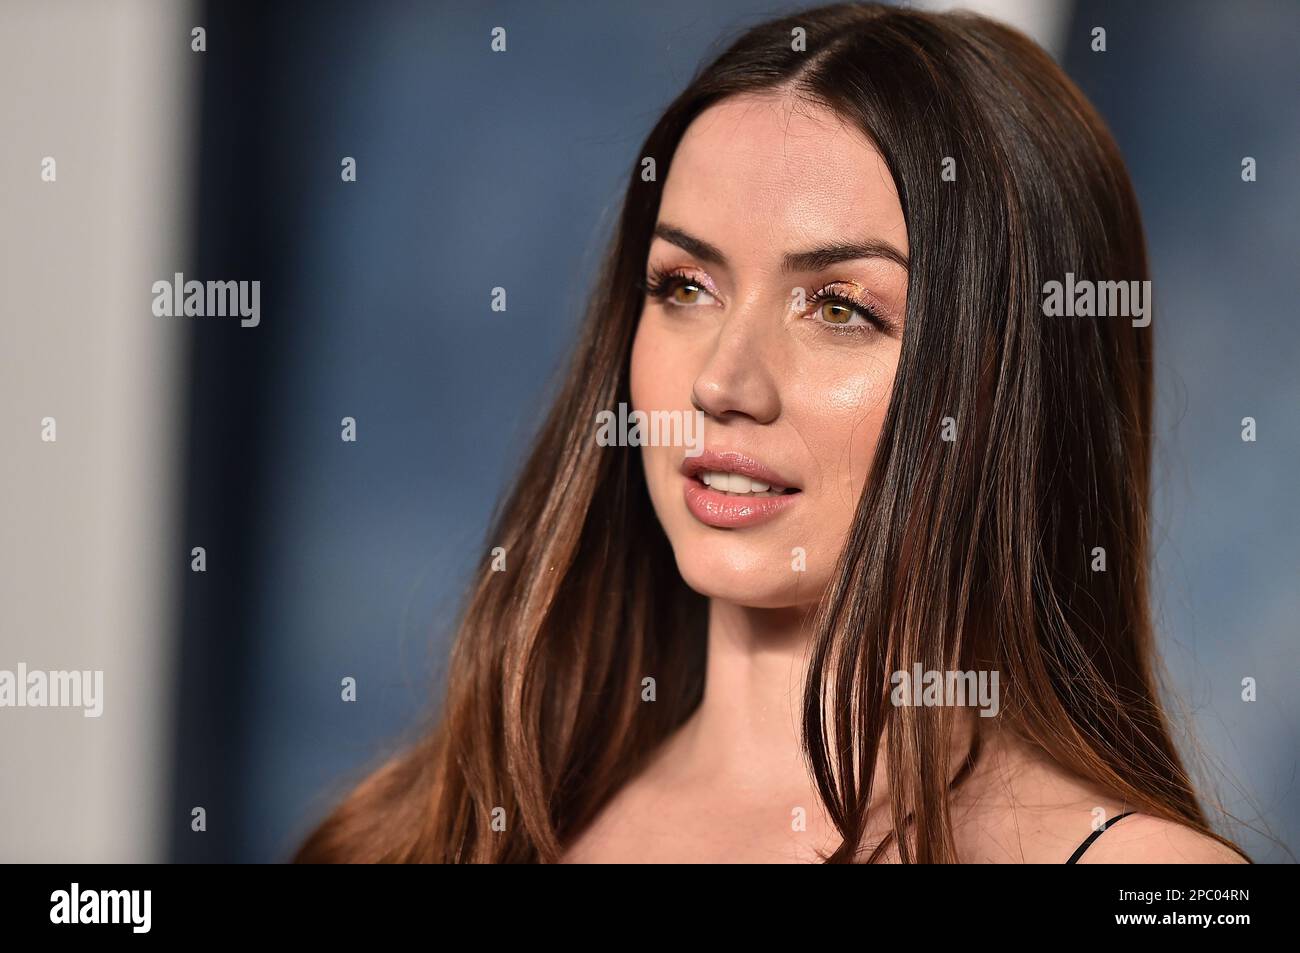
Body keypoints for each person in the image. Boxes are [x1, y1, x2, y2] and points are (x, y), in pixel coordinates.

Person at [295, 2, 1249, 863]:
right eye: (685, 286)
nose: (722, 382)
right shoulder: (411, 838)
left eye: (838, 307)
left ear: (1019, 385)